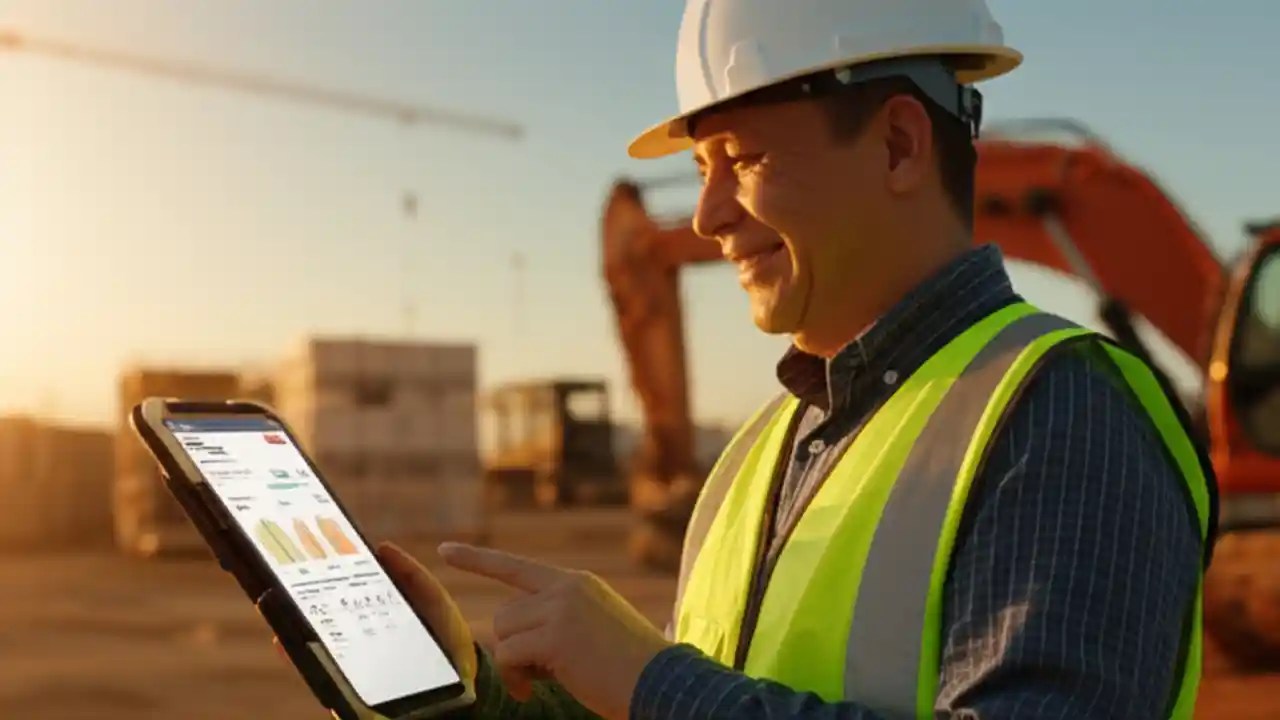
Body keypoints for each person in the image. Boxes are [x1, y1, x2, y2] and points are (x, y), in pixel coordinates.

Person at [331, 2, 1219, 718]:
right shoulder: (761, 452)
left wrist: (650, 680)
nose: (709, 214)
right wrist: (466, 693)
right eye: (702, 168)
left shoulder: (1064, 419)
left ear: (899, 145)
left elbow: (676, 701)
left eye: (743, 158)